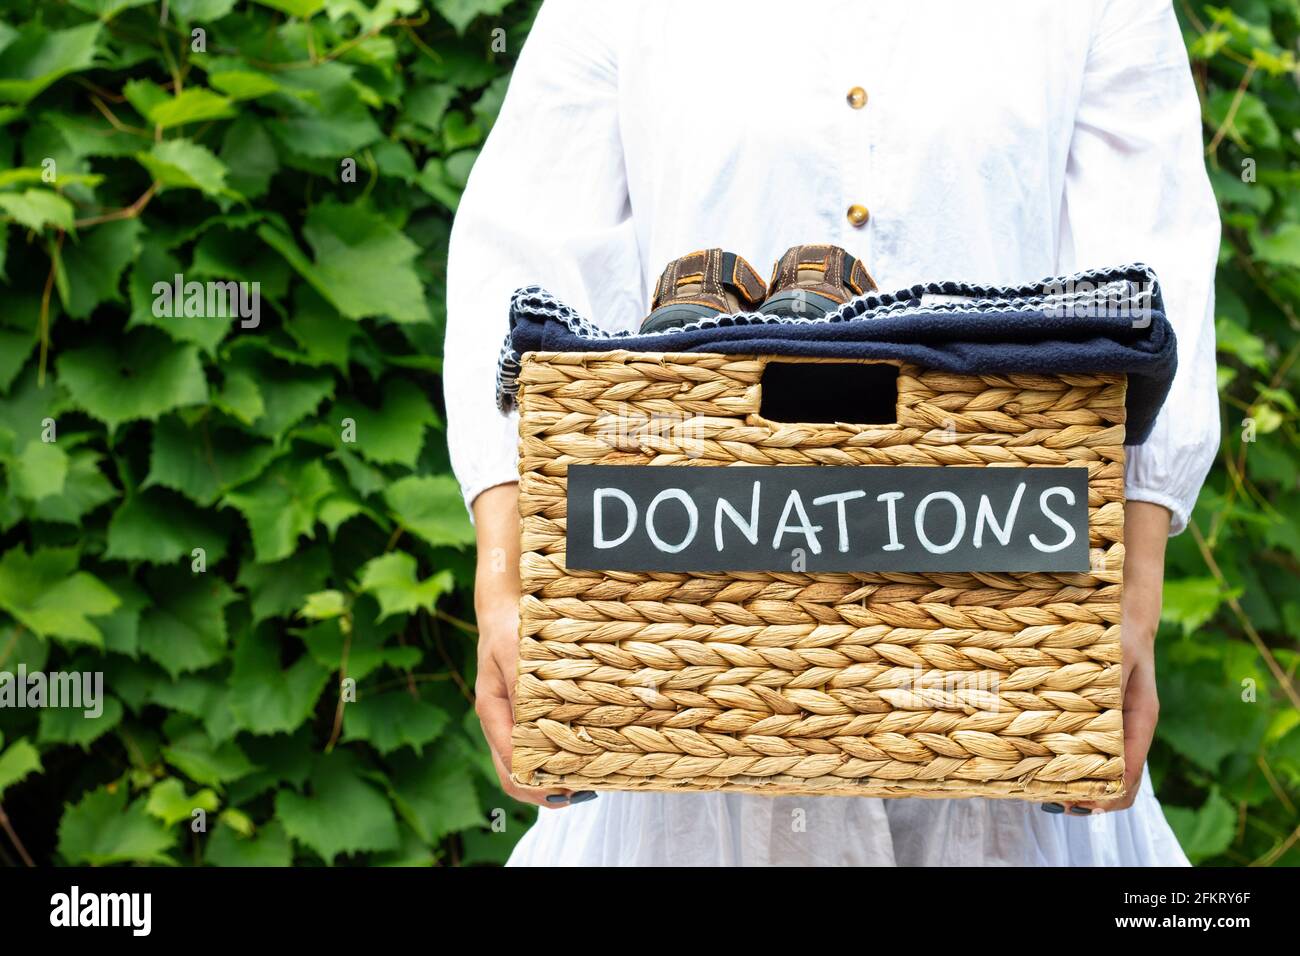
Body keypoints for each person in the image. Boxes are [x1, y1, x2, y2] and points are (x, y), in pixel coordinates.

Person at [444, 0, 1219, 866]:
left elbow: (1152, 283)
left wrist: (1131, 601)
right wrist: (504, 589)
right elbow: (517, 269)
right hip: (687, 697)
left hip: (1009, 671)